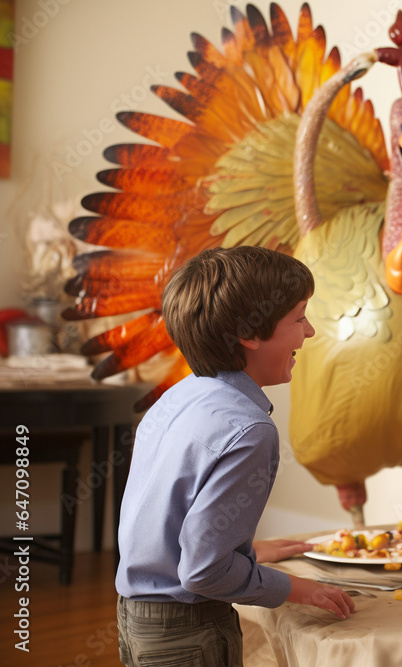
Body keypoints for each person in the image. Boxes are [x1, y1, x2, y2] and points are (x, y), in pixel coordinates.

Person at [116, 246, 355, 666]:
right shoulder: (250, 431)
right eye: (299, 318)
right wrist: (300, 589)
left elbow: (164, 528)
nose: (310, 331)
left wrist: (250, 550)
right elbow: (202, 573)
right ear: (249, 334)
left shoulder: (176, 399)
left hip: (136, 619)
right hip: (189, 633)